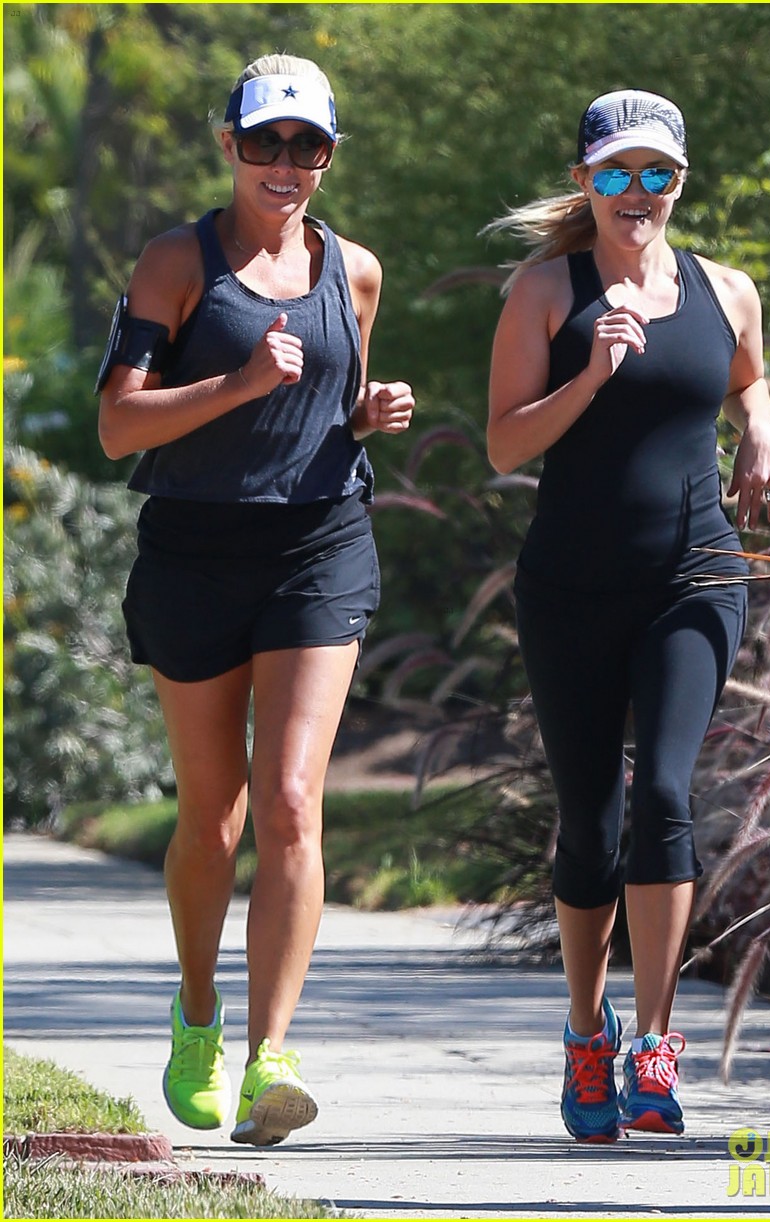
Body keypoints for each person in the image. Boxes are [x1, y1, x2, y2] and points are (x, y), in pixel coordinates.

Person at [97, 54, 414, 1147]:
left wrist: (369, 411)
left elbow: (328, 411)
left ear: (329, 155)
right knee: (214, 814)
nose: (286, 164)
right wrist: (235, 384)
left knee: (287, 801)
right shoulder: (176, 263)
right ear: (229, 144)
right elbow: (118, 426)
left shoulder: (355, 272)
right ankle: (198, 1013)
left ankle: (274, 1055)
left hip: (319, 546)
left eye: (308, 146)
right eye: (266, 142)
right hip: (192, 553)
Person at [485, 89, 770, 1142]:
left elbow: (748, 373)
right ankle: (586, 1031)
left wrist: (760, 426)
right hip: (571, 582)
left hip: (695, 572)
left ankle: (654, 1044)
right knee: (590, 824)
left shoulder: (726, 289)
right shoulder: (545, 292)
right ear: (586, 183)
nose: (638, 193)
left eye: (658, 173)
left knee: (663, 788)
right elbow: (504, 446)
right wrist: (594, 371)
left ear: (680, 183)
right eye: (616, 173)